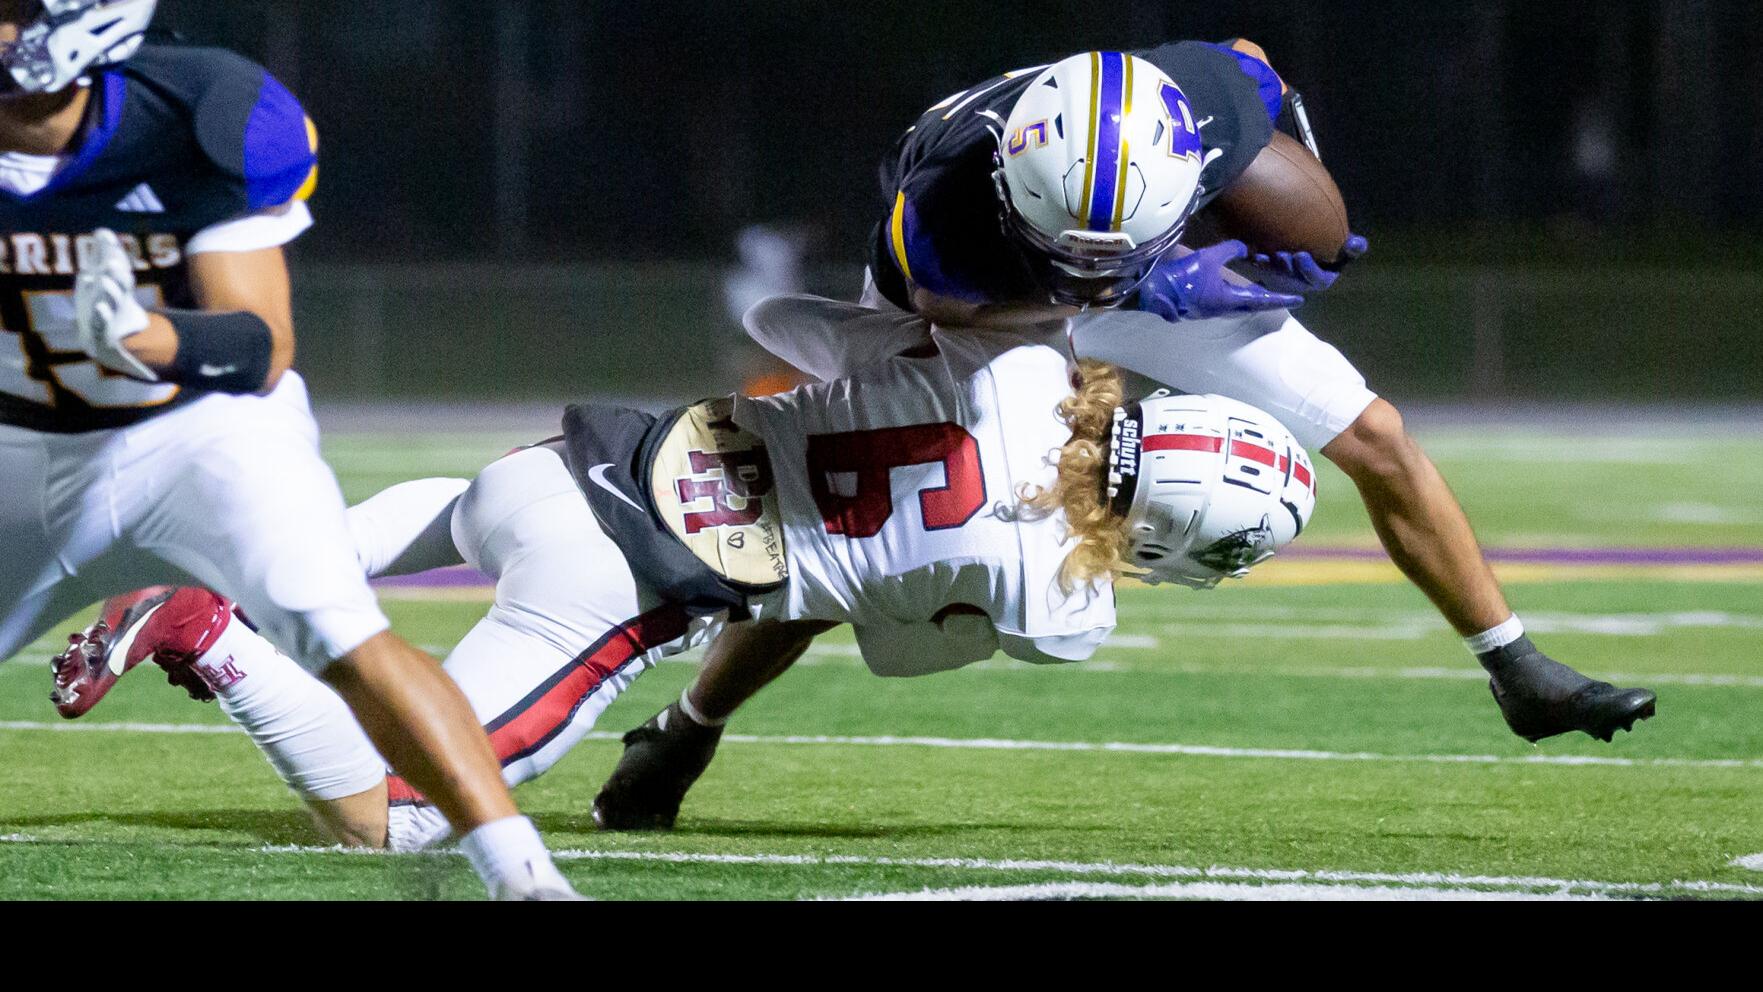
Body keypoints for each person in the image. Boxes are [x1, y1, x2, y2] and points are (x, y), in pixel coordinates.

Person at [595, 42, 1656, 827]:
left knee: (1374, 434)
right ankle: (686, 729)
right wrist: (1135, 287)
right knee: (880, 524)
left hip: (1155, 260)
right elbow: (950, 304)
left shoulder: (1210, 105)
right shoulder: (940, 217)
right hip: (996, 301)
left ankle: (1514, 667)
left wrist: (1251, 237)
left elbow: (1262, 87)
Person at [53, 299, 1316, 852]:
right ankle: (212, 632)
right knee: (404, 815)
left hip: (574, 459)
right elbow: (855, 622)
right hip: (621, 579)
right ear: (1169, 536)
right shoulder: (1058, 603)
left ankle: (192, 554)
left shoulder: (1025, 362)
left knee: (451, 515)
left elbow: (786, 327)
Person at [0, 0, 572, 898]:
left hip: (196, 432)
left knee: (337, 627)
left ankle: (525, 878)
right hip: (21, 444)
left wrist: (145, 336)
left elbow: (260, 344)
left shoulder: (197, 112)